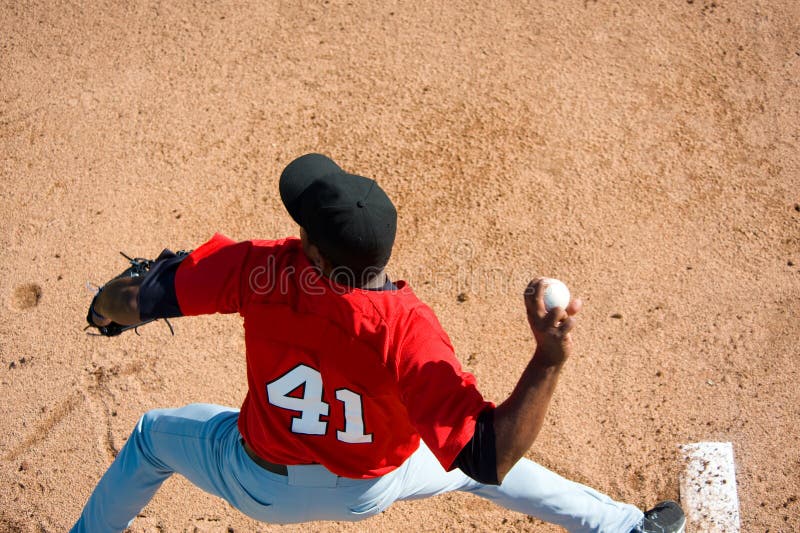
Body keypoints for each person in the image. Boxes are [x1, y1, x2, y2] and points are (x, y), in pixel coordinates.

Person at [73, 153, 686, 533]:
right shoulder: (408, 326)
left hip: (258, 482)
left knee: (154, 436)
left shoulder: (258, 270)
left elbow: (136, 301)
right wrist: (548, 361)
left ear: (313, 249)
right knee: (469, 468)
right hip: (372, 487)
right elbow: (489, 456)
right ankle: (626, 529)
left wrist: (104, 309)